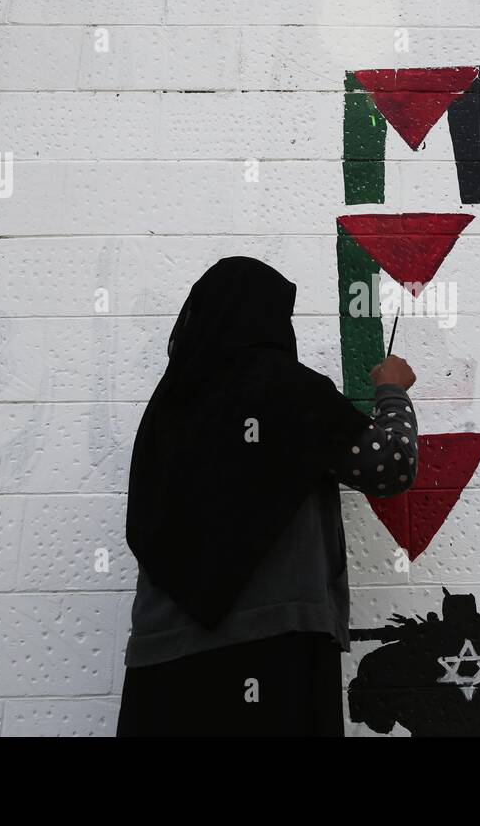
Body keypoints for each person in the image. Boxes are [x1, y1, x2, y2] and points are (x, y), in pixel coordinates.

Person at [116, 256, 419, 736]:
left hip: (163, 664)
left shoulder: (166, 412)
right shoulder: (288, 390)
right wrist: (391, 392)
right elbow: (390, 466)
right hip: (275, 652)